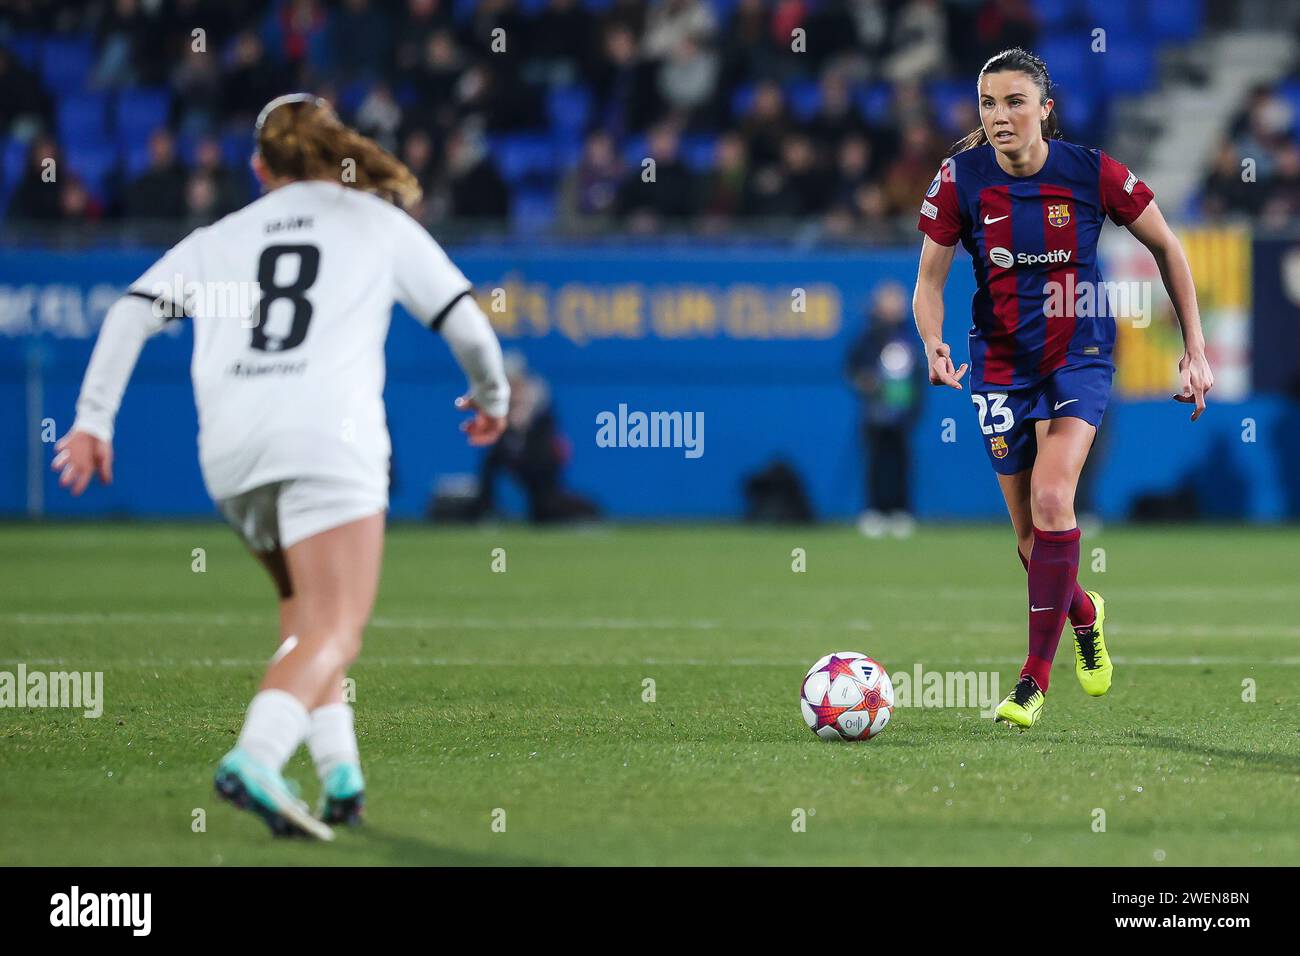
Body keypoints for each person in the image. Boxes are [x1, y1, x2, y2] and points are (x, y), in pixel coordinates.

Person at [52, 94, 510, 838]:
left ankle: (342, 778)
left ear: (260, 168)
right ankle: (255, 757)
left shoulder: (221, 237)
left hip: (233, 451)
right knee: (340, 628)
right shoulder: (375, 222)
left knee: (305, 615)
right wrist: (492, 398)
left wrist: (92, 422)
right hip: (329, 438)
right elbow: (465, 320)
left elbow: (130, 311)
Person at [912, 49, 1213, 729]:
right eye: (988, 103)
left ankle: (1031, 683)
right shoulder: (960, 180)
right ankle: (1085, 611)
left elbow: (1168, 247)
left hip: (1080, 354)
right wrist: (933, 341)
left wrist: (1194, 348)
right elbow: (928, 283)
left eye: (1015, 102)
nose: (999, 117)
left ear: (1046, 109)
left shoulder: (1091, 171)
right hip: (998, 363)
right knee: (1029, 542)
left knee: (1055, 497)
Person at [845, 282, 926, 538]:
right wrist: (866, 382)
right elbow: (853, 368)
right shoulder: (868, 336)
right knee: (875, 460)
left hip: (902, 412)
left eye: (898, 302)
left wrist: (914, 405)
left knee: (900, 460)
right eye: (889, 301)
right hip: (875, 411)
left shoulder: (910, 335)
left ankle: (901, 511)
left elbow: (918, 374)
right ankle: (874, 511)